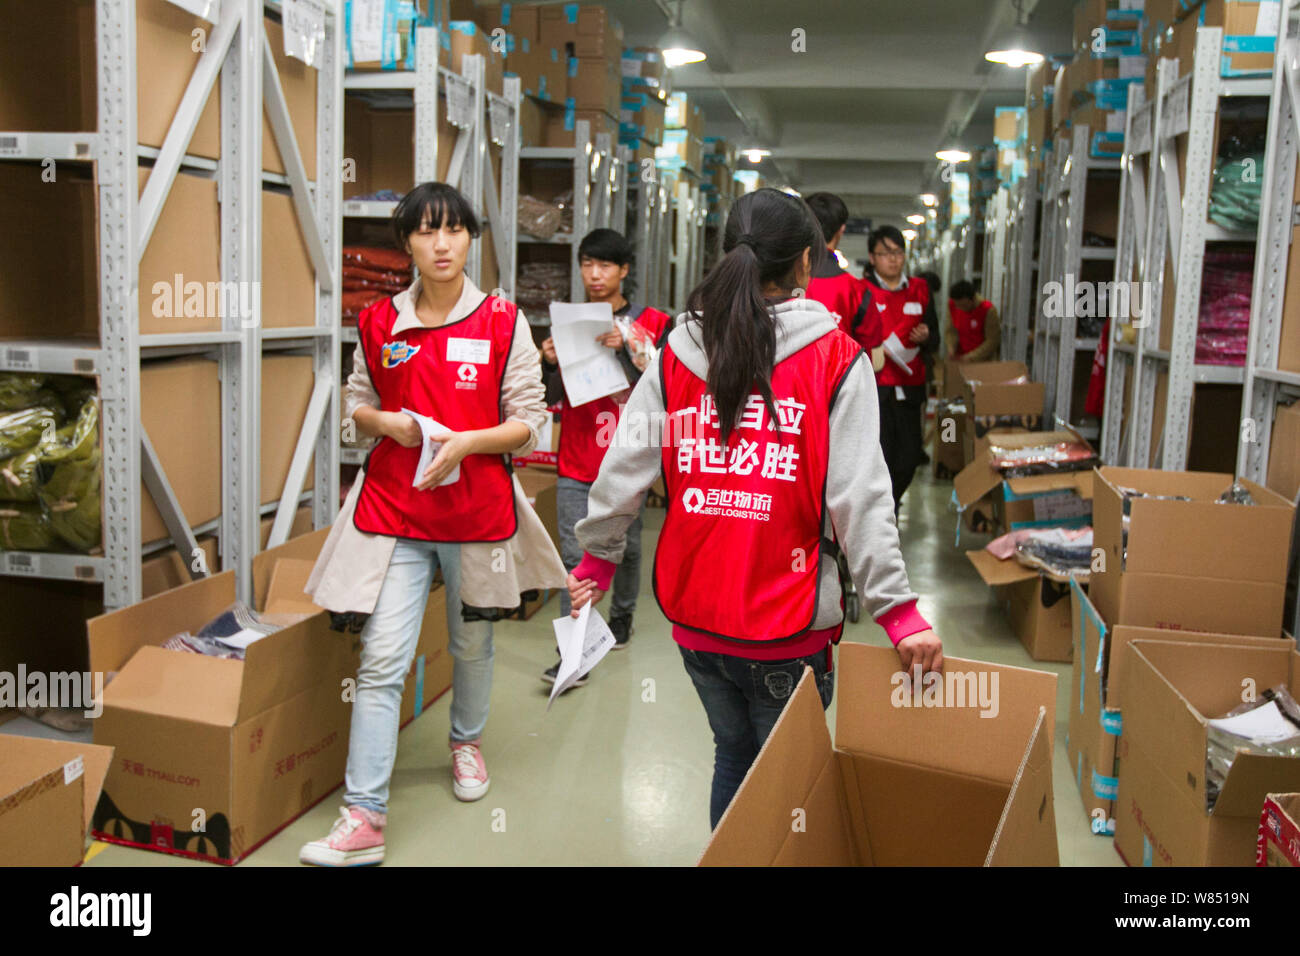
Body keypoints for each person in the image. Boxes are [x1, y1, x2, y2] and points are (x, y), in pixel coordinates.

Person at [562, 188, 944, 829]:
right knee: (784, 785)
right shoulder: (836, 361)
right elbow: (860, 497)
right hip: (786, 626)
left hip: (695, 616)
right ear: (806, 263)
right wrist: (900, 614)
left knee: (733, 755)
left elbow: (627, 462)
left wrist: (597, 562)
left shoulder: (678, 352)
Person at [298, 182, 562, 866]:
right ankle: (363, 816)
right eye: (425, 232)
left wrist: (469, 443)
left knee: (471, 646)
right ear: (406, 242)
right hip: (394, 512)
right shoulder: (379, 322)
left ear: (472, 237)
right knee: (383, 658)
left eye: (454, 230)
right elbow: (358, 401)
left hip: (476, 515)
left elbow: (531, 422)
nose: (441, 245)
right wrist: (384, 422)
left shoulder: (505, 322)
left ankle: (465, 743)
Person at [538, 229, 673, 687]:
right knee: (577, 557)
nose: (595, 275)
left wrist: (630, 352)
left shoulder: (652, 321)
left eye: (605, 266)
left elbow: (667, 386)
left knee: (628, 547)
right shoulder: (569, 321)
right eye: (587, 264)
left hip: (628, 460)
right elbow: (550, 398)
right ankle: (571, 656)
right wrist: (550, 362)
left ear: (624, 271)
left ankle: (622, 616)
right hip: (576, 458)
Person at [862, 225, 938, 512]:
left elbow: (936, 337)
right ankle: (881, 512)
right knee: (880, 455)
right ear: (872, 257)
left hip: (910, 387)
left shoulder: (920, 290)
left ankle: (890, 504)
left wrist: (926, 337)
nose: (893, 259)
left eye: (898, 252)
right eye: (885, 253)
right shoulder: (862, 292)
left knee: (909, 457)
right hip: (875, 387)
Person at [803, 192, 877, 350]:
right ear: (841, 229)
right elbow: (872, 357)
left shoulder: (780, 281)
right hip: (842, 374)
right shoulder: (857, 292)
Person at [945, 279, 1001, 362]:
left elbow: (992, 340)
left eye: (964, 305)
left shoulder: (988, 310)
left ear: (973, 299)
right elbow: (951, 330)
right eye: (958, 305)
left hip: (981, 361)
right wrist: (951, 348)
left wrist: (970, 357)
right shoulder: (953, 305)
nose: (961, 308)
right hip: (960, 359)